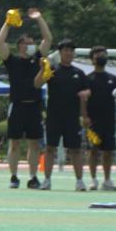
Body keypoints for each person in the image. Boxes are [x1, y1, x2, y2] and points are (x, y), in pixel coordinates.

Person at [0, 8, 52, 189]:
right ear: (20, 45)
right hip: (17, 106)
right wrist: (8, 22)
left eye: (32, 42)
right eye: (27, 43)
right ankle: (13, 176)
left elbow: (48, 39)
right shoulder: (11, 61)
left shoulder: (37, 59)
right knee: (14, 143)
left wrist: (39, 18)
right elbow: (0, 41)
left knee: (34, 144)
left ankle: (33, 177)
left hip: (35, 106)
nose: (31, 45)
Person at [41, 40, 91, 191]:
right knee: (50, 148)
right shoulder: (53, 70)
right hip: (53, 116)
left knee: (76, 150)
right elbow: (37, 84)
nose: (69, 53)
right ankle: (47, 180)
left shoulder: (79, 73)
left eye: (71, 50)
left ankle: (80, 181)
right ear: (60, 52)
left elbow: (87, 91)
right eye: (66, 50)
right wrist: (42, 69)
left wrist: (86, 95)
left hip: (72, 118)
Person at [83, 47, 116, 191]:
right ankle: (93, 180)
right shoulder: (87, 79)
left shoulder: (113, 79)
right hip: (93, 121)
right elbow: (84, 100)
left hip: (109, 120)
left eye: (104, 55)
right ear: (92, 59)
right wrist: (85, 116)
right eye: (98, 55)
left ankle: (107, 180)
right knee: (93, 150)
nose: (101, 57)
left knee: (108, 151)